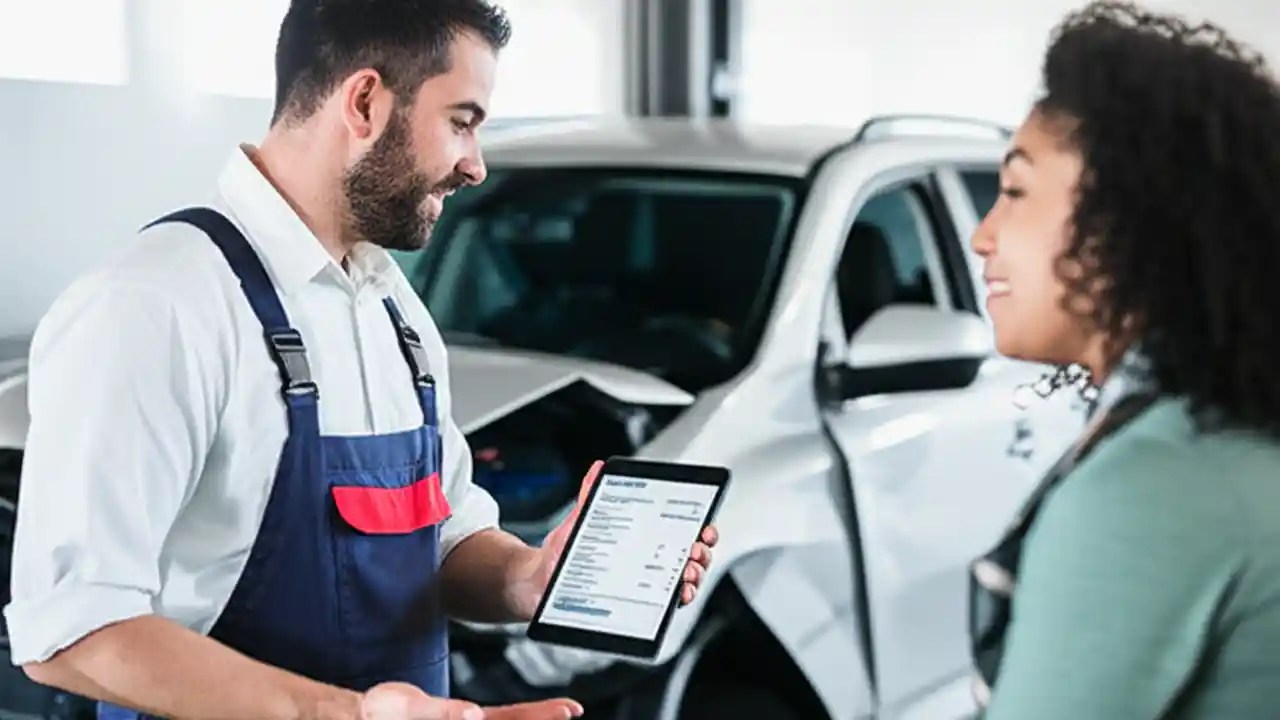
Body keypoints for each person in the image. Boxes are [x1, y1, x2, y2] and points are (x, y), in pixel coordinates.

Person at [3, 2, 719, 719]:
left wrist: (526, 579)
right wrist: (349, 714)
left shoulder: (391, 308)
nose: (475, 165)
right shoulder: (156, 305)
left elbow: (441, 536)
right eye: (462, 122)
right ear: (366, 102)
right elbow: (71, 630)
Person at [966, 1, 1280, 717]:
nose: (984, 236)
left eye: (1015, 192)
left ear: (1122, 220)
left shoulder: (1158, 489)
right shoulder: (1222, 437)